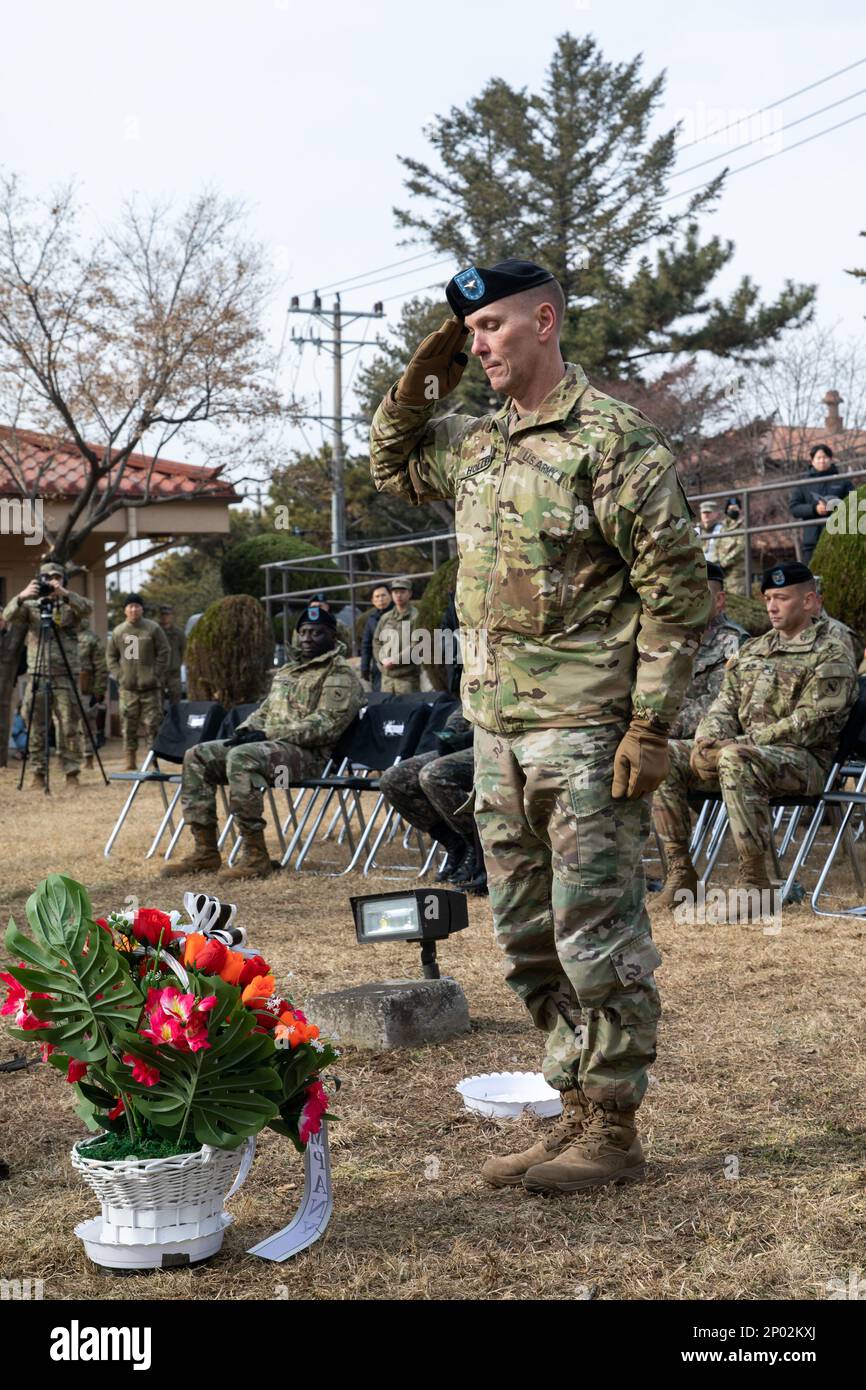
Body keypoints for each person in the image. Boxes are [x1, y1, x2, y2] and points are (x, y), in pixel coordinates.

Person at [370, 257, 709, 1194]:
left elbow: (677, 597)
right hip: (496, 730)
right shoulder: (480, 443)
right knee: (523, 936)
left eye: (493, 328)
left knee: (595, 933)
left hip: (587, 728)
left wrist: (651, 724)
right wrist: (424, 372)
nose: (480, 346)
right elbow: (390, 458)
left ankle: (618, 1127)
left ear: (547, 321)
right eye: (469, 334)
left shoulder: (613, 443)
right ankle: (573, 1111)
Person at [653, 562, 858, 919]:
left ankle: (754, 882)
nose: (772, 607)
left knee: (735, 757)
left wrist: (738, 743)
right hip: (747, 752)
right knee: (663, 754)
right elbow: (724, 704)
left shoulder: (831, 651)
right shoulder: (755, 649)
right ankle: (680, 873)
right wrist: (706, 739)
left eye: (782, 598)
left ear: (809, 602)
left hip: (804, 761)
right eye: (768, 598)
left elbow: (811, 722)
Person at [162, 604, 364, 881]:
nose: (307, 638)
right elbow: (265, 711)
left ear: (332, 636)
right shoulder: (289, 671)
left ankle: (256, 856)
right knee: (198, 754)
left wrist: (269, 734)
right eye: (303, 632)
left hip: (310, 757)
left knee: (242, 757)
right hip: (271, 749)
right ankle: (205, 851)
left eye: (317, 633)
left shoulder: (339, 674)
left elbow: (326, 726)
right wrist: (246, 730)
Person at [2, 562, 93, 788]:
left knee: (68, 725)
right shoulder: (31, 605)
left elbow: (88, 609)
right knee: (35, 725)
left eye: (56, 577)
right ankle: (37, 773)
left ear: (63, 580)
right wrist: (21, 597)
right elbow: (9, 615)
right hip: (39, 673)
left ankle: (71, 772)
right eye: (47, 577)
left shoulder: (70, 603)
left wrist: (66, 595)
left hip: (65, 673)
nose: (52, 581)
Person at [379, 708, 479, 887]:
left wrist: (471, 737)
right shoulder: (477, 677)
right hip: (469, 744)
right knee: (394, 778)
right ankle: (455, 843)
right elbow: (466, 704)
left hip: (497, 746)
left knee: (432, 775)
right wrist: (451, 731)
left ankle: (476, 846)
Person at [668, 563, 748, 740]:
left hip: (702, 738)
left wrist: (662, 727)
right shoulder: (674, 638)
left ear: (719, 600)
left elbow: (719, 701)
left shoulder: (733, 642)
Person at [106, 595, 171, 771]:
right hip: (128, 689)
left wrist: (156, 674)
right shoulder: (119, 632)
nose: (133, 610)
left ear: (142, 609)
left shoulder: (152, 629)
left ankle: (153, 761)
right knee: (128, 725)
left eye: (137, 606)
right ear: (125, 610)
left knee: (152, 725)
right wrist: (119, 675)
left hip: (150, 688)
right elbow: (111, 656)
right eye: (130, 606)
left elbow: (164, 652)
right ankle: (130, 761)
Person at [789, 445, 854, 565]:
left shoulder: (843, 481)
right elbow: (794, 508)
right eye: (818, 458)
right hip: (811, 540)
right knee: (811, 577)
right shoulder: (804, 484)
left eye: (825, 457)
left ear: (831, 459)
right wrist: (814, 509)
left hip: (837, 537)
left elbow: (854, 505)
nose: (822, 461)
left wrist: (834, 507)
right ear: (812, 461)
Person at [372, 577, 422, 693]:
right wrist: (383, 659)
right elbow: (376, 641)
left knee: (409, 709)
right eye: (395, 592)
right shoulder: (385, 618)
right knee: (387, 709)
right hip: (387, 678)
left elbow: (417, 645)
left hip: (407, 679)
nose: (398, 595)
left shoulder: (416, 617)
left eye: (402, 592)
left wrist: (395, 660)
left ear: (409, 593)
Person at [77, 617, 108, 769]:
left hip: (85, 688)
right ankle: (67, 757)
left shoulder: (90, 638)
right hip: (64, 685)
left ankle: (88, 757)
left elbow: (101, 666)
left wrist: (99, 689)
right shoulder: (60, 635)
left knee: (87, 723)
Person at [698, 499, 747, 595]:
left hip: (734, 574)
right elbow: (718, 547)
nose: (732, 511)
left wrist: (723, 563)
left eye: (735, 508)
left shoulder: (742, 526)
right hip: (715, 572)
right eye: (730, 508)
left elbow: (740, 547)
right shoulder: (723, 527)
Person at [360, 583, 393, 688]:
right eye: (377, 597)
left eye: (383, 595)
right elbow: (366, 644)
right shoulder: (371, 619)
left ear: (390, 596)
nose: (381, 599)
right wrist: (364, 667)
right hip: (378, 666)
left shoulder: (399, 614)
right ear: (373, 601)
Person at [158, 605, 186, 706]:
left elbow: (183, 649)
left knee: (175, 699)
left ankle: (175, 720)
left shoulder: (178, 633)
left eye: (167, 615)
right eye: (163, 615)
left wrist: (178, 663)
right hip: (159, 671)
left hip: (174, 672)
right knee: (158, 700)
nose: (165, 617)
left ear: (171, 616)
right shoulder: (156, 632)